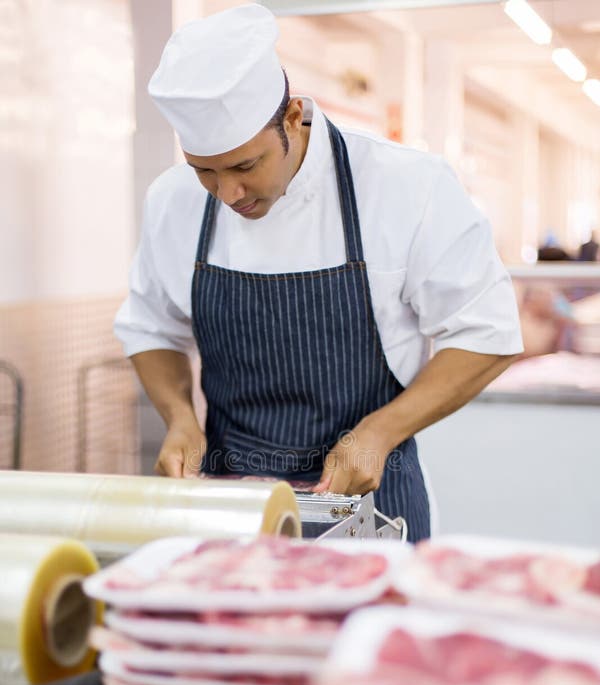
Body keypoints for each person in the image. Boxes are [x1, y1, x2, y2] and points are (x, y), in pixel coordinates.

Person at [114, 4, 523, 542]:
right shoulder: (172, 200)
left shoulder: (405, 185)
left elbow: (487, 333)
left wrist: (381, 431)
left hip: (374, 504)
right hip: (235, 507)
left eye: (244, 167)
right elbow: (150, 327)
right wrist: (179, 416)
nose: (228, 193)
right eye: (205, 172)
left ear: (292, 119)